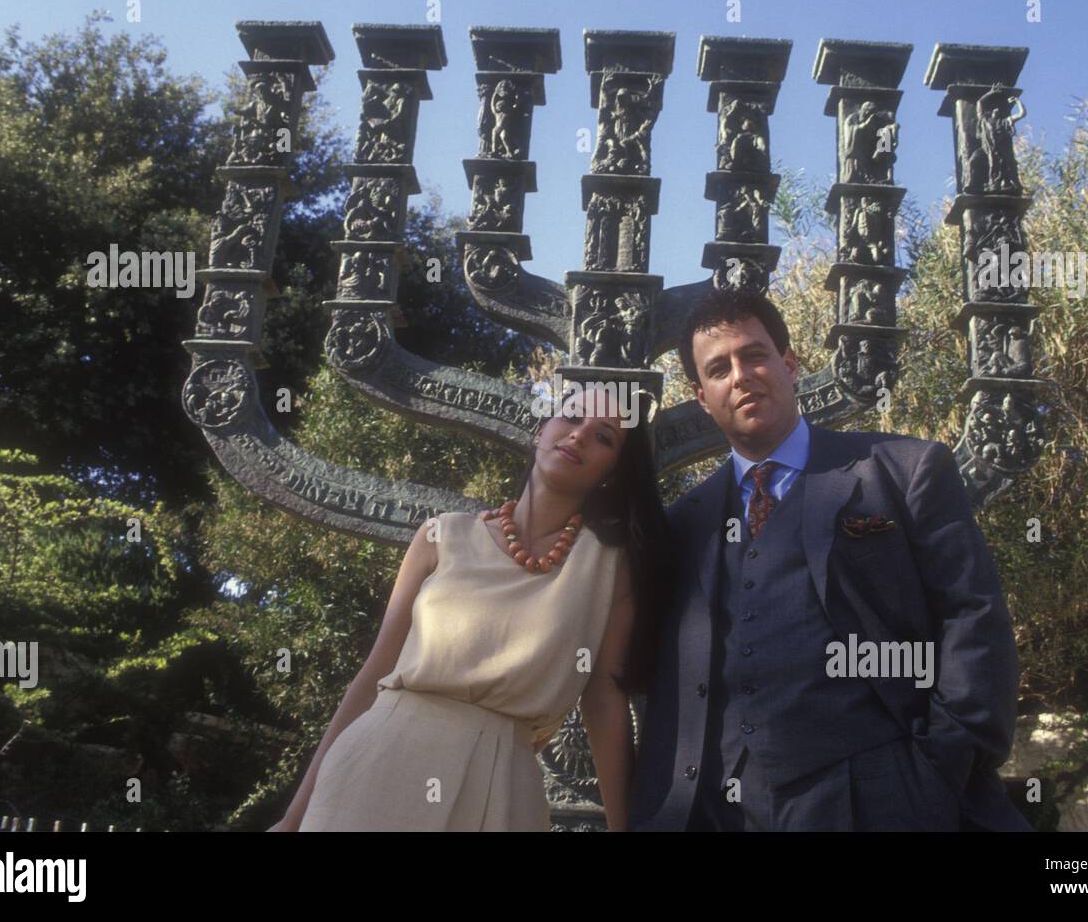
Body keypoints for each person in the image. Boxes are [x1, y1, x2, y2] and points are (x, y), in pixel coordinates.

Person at [628, 289, 1031, 831]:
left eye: (755, 355)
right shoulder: (683, 524)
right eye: (718, 368)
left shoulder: (901, 471)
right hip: (719, 809)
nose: (741, 375)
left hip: (881, 797)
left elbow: (972, 615)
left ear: (789, 365)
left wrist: (945, 761)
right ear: (702, 398)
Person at [270, 386, 671, 831]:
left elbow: (604, 702)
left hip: (504, 790)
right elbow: (371, 676)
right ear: (540, 431)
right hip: (375, 765)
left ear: (612, 471)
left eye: (604, 437)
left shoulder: (609, 568)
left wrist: (624, 827)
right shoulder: (440, 536)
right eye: (571, 418)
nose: (578, 436)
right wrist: (292, 818)